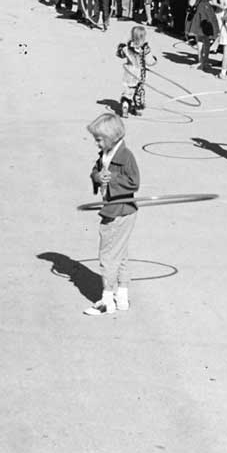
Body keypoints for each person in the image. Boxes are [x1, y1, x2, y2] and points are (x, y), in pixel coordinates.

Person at [84, 112, 140, 316]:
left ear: (110, 137)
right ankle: (122, 295)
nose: (96, 144)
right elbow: (95, 171)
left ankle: (107, 298)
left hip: (119, 211)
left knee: (108, 254)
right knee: (120, 253)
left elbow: (134, 182)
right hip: (115, 208)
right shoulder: (105, 154)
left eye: (98, 139)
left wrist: (113, 178)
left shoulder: (125, 156)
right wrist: (98, 177)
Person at [116, 25, 156, 117]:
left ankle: (125, 105)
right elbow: (150, 61)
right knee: (138, 91)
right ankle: (136, 108)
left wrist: (121, 48)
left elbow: (120, 54)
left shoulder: (127, 48)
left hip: (129, 72)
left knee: (128, 90)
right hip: (139, 74)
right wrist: (155, 60)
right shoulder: (145, 49)